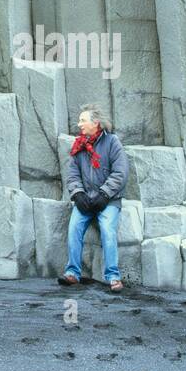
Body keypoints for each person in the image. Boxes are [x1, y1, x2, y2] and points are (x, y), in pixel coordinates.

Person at [57, 104, 130, 292]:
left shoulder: (112, 142)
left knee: (107, 229)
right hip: (85, 200)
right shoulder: (79, 146)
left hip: (108, 200)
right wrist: (78, 194)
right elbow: (72, 175)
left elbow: (120, 173)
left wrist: (104, 194)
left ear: (95, 123)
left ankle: (113, 277)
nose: (79, 124)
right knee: (74, 228)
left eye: (83, 120)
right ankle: (73, 273)